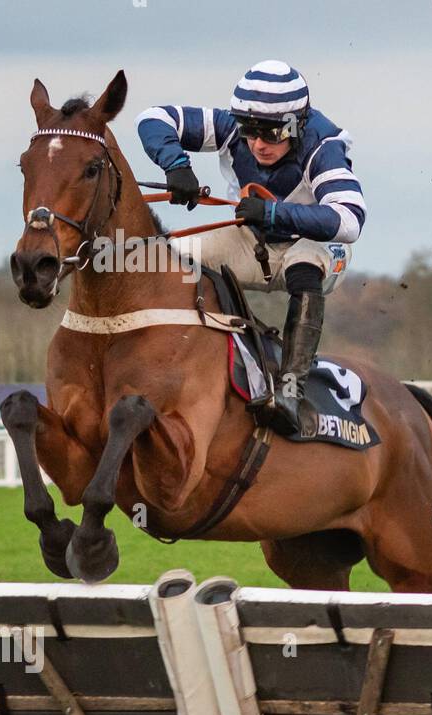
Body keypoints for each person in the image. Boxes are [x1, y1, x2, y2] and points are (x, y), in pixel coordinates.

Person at [136, 60, 366, 435]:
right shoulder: (232, 129)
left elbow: (349, 220)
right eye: (250, 132)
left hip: (317, 249)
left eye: (272, 134)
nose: (258, 144)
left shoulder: (323, 147)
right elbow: (153, 117)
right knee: (167, 261)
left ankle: (291, 389)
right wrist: (176, 165)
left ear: (296, 126)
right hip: (248, 242)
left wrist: (274, 213)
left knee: (305, 262)